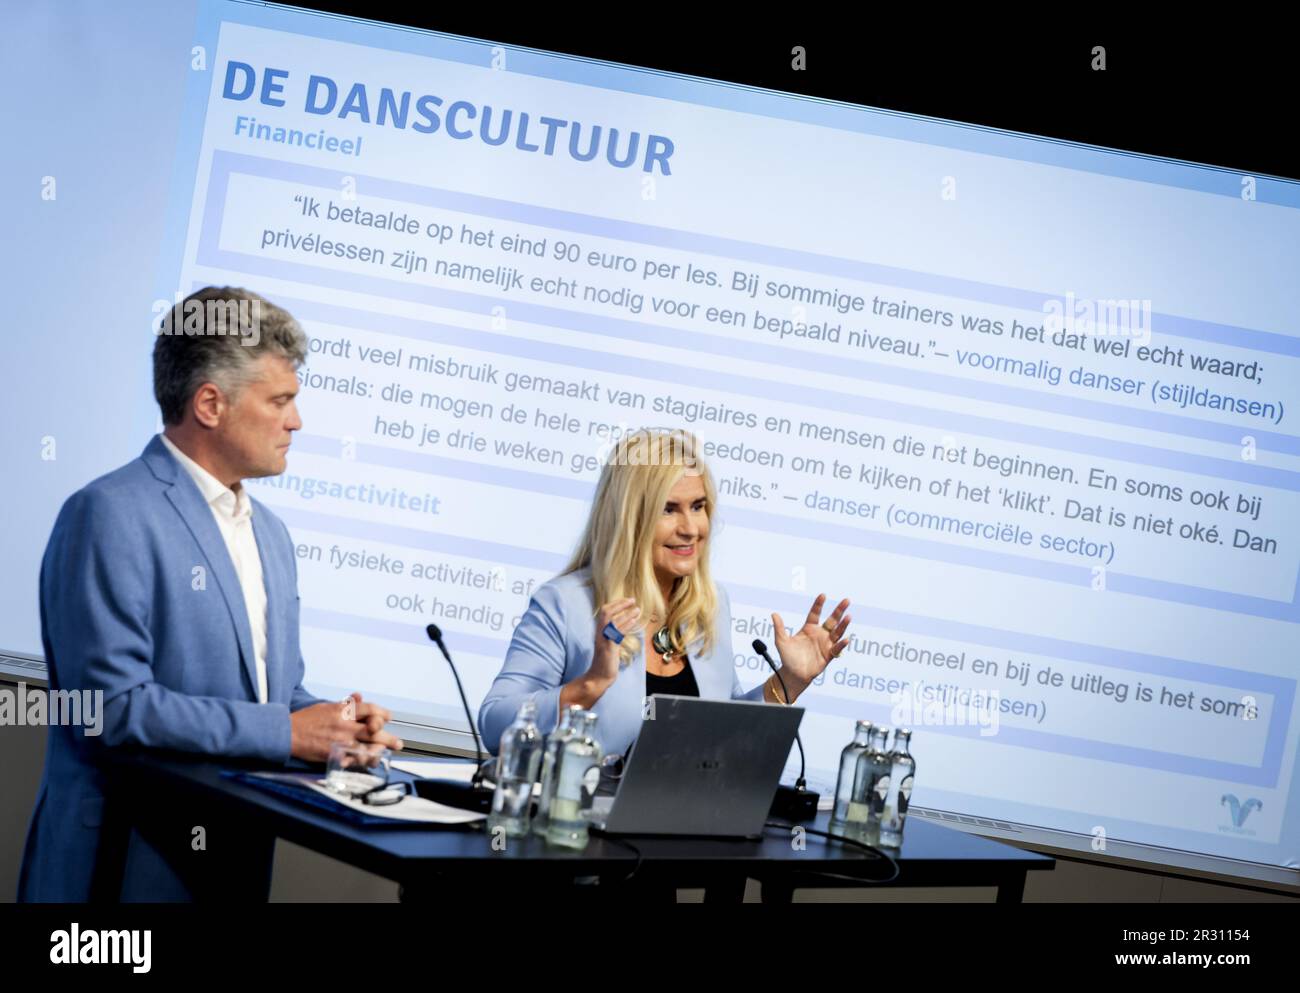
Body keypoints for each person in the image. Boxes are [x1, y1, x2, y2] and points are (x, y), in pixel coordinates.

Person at [18, 286, 402, 902]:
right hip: (121, 871)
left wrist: (335, 726)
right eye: (280, 400)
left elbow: (275, 697)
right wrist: (289, 732)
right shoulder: (107, 514)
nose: (296, 421)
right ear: (210, 404)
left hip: (232, 865)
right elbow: (111, 709)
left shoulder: (271, 536)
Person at [478, 427, 852, 760]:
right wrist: (590, 683)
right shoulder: (565, 603)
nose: (691, 528)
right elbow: (495, 725)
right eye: (669, 509)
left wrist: (791, 679)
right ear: (631, 518)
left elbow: (721, 730)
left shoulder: (710, 605)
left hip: (684, 825)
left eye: (699, 507)